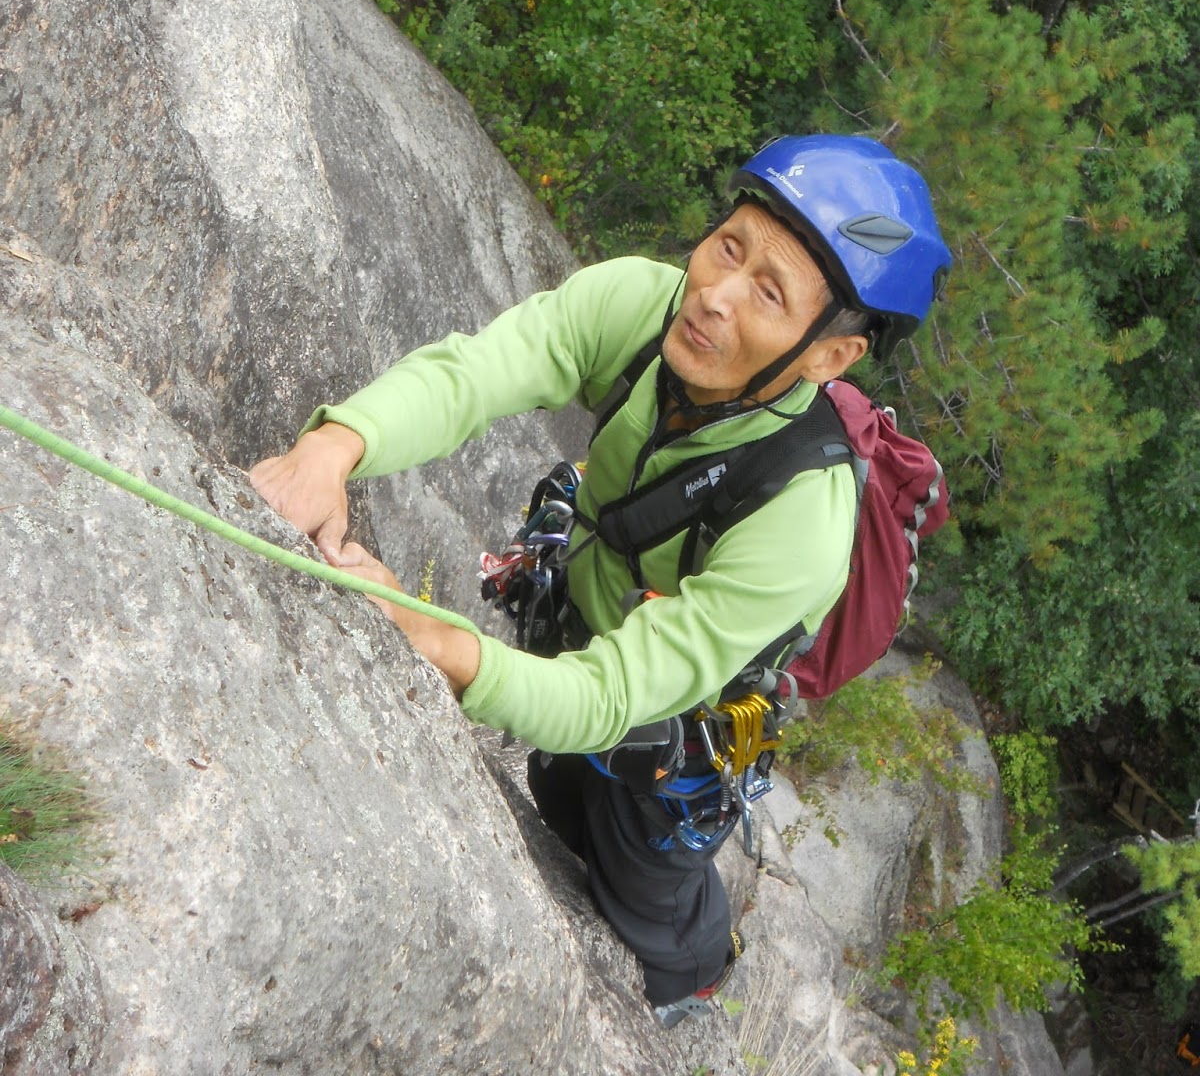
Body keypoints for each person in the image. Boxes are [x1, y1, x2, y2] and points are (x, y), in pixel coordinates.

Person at [250, 134, 951, 1026]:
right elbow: (478, 372)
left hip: (679, 703)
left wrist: (446, 650)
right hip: (590, 599)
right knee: (558, 786)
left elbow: (622, 692)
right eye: (729, 246)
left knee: (638, 863)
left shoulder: (799, 520)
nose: (715, 296)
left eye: (768, 293)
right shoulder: (639, 304)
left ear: (828, 358)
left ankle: (691, 978)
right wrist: (335, 446)